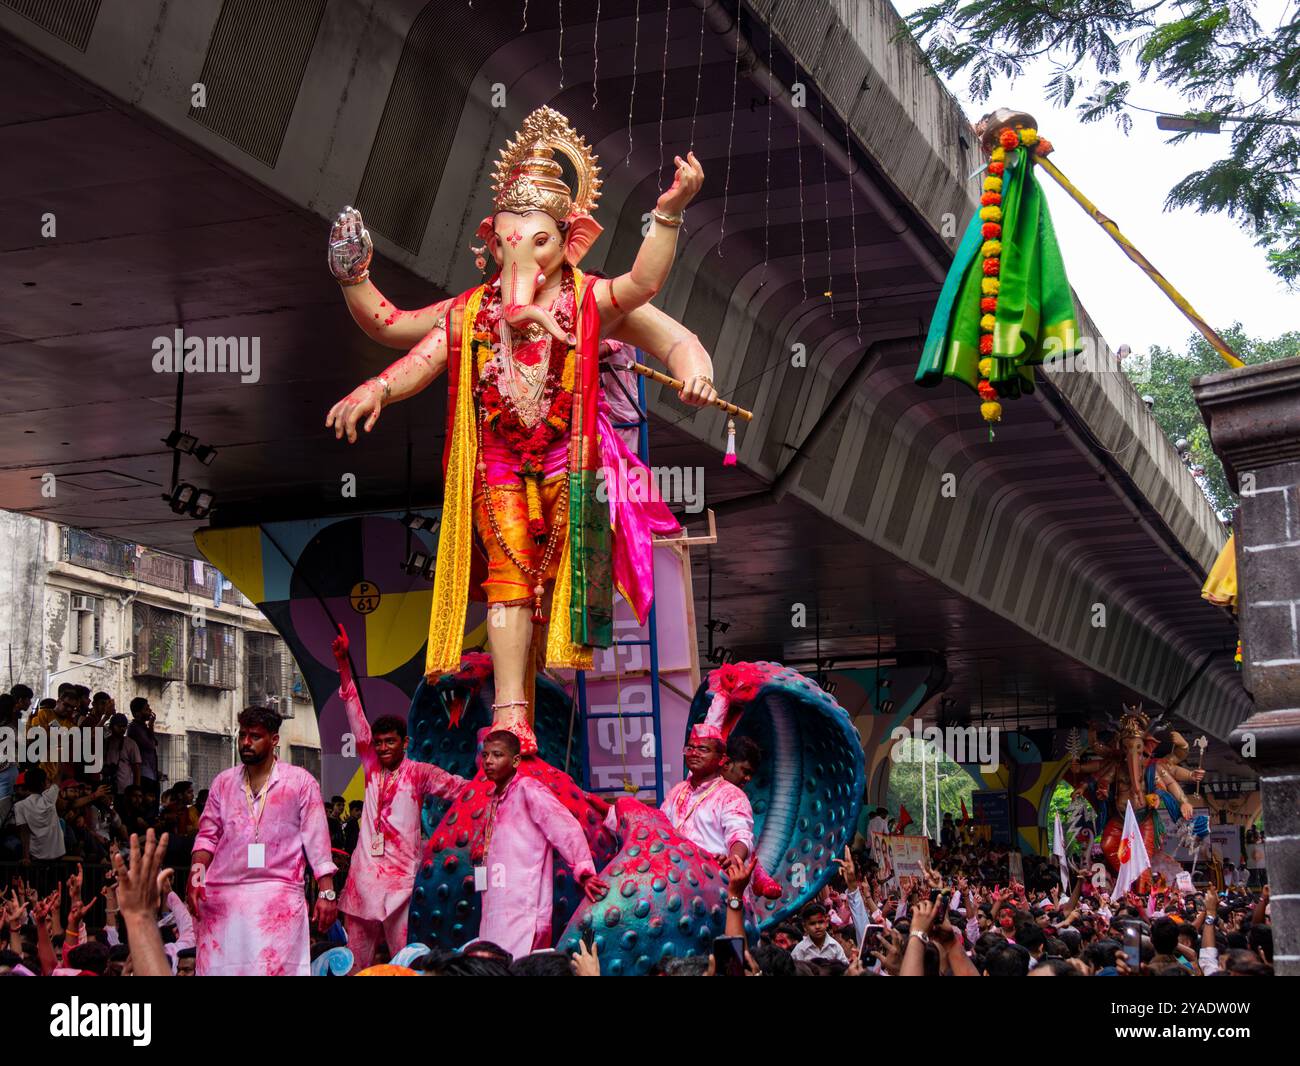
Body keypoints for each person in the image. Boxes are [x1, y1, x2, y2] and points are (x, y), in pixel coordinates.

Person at [331, 626, 472, 971]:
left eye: (389, 742)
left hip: (401, 887)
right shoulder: (370, 769)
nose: (381, 748)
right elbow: (355, 713)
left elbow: (460, 788)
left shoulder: (419, 773)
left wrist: (499, 774)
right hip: (363, 885)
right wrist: (343, 664)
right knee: (355, 966)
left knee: (405, 965)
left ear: (404, 743)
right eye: (378, 743)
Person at [188, 706, 338, 976]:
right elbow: (207, 835)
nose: (246, 742)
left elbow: (317, 842)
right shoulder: (223, 783)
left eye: (255, 736)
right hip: (226, 897)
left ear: (274, 740)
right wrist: (196, 875)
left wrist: (327, 894)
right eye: (242, 735)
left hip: (278, 896)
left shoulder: (300, 782)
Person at [476, 729, 607, 958]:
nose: (488, 761)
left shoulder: (527, 788)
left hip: (523, 907)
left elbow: (565, 827)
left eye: (497, 755)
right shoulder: (494, 797)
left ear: (515, 760)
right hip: (495, 903)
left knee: (515, 966)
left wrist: (584, 872)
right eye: (485, 755)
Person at [13, 767, 66, 864]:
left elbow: (24, 833)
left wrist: (26, 857)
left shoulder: (19, 806)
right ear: (43, 783)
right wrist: (60, 756)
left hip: (36, 855)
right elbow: (59, 774)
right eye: (46, 780)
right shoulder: (49, 797)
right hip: (56, 854)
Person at [102, 713, 142, 794]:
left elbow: (136, 768)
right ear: (112, 726)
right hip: (106, 788)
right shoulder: (106, 742)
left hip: (125, 790)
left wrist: (136, 788)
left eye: (124, 726)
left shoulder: (131, 743)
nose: (123, 729)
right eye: (119, 726)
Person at [127, 697, 159, 789]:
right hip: (143, 774)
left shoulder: (144, 727)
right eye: (146, 709)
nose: (150, 711)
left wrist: (151, 726)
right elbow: (150, 745)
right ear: (137, 713)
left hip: (151, 773)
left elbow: (154, 742)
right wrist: (150, 726)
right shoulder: (134, 728)